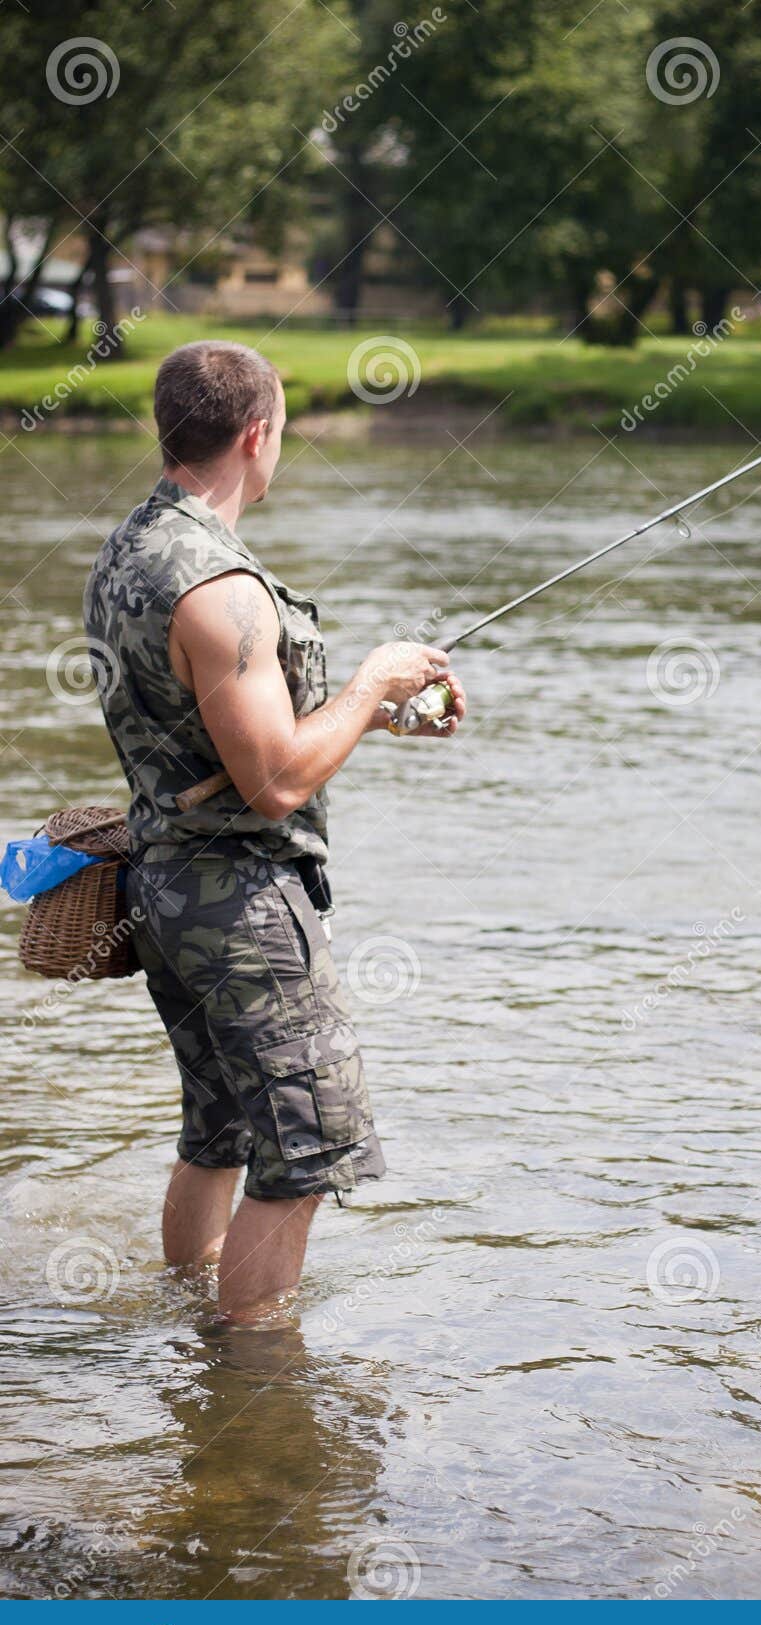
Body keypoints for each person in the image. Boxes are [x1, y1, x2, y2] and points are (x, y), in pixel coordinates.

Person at [83, 340, 466, 1323]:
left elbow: (214, 737)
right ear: (257, 435)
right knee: (305, 1154)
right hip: (242, 909)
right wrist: (372, 681)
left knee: (217, 1131)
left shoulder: (128, 550)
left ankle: (190, 1330)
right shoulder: (222, 588)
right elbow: (276, 781)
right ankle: (253, 1377)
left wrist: (374, 718)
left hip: (162, 893)